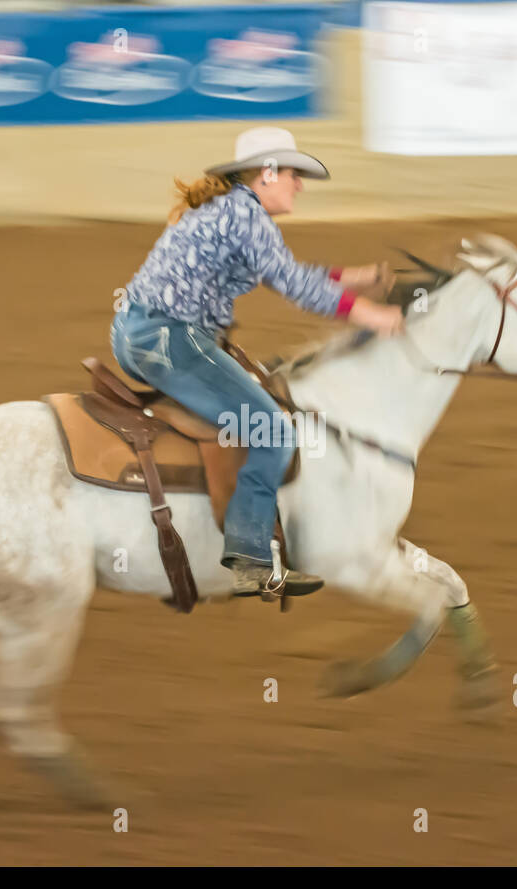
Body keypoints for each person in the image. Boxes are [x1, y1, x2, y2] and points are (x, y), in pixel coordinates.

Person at [112, 127, 404, 599]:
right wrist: (372, 314)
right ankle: (249, 558)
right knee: (271, 427)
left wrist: (356, 278)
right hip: (168, 337)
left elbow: (281, 270)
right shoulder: (245, 216)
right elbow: (292, 283)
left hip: (149, 333)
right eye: (293, 173)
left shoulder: (233, 211)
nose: (300, 185)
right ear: (266, 173)